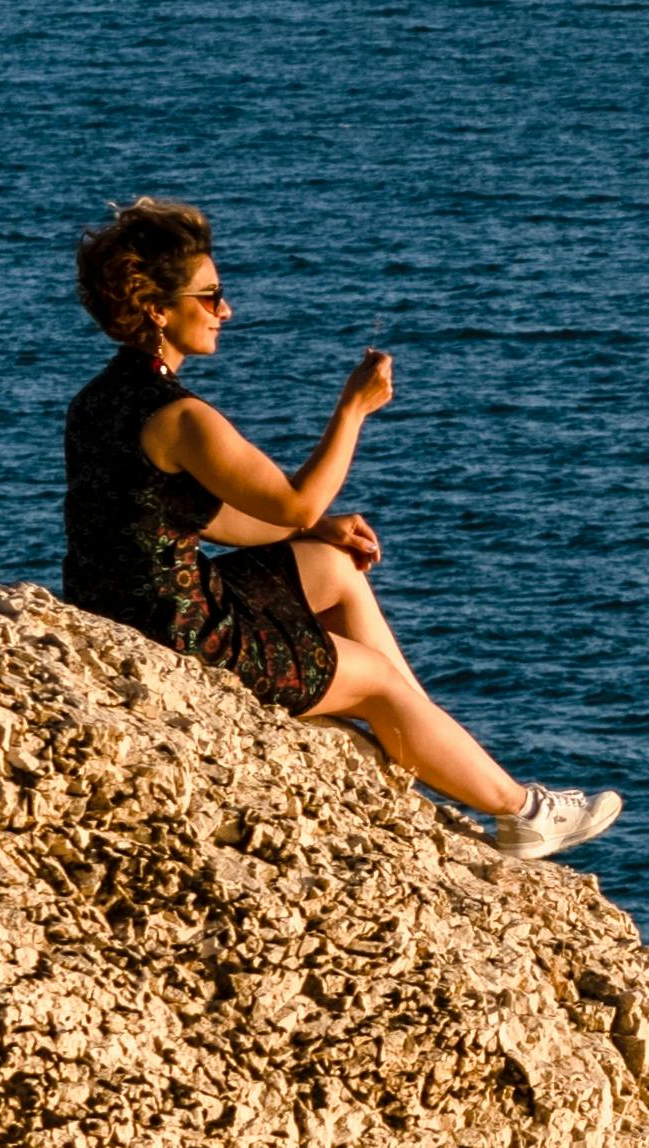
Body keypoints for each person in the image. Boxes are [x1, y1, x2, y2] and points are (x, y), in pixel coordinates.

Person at [58, 198, 619, 859]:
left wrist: (321, 531)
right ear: (158, 308)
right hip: (178, 631)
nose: (226, 311)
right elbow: (292, 503)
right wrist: (352, 411)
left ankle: (430, 743)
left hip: (126, 605)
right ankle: (520, 810)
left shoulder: (99, 398)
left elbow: (206, 516)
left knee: (335, 568)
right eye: (210, 297)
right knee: (375, 677)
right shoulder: (180, 417)